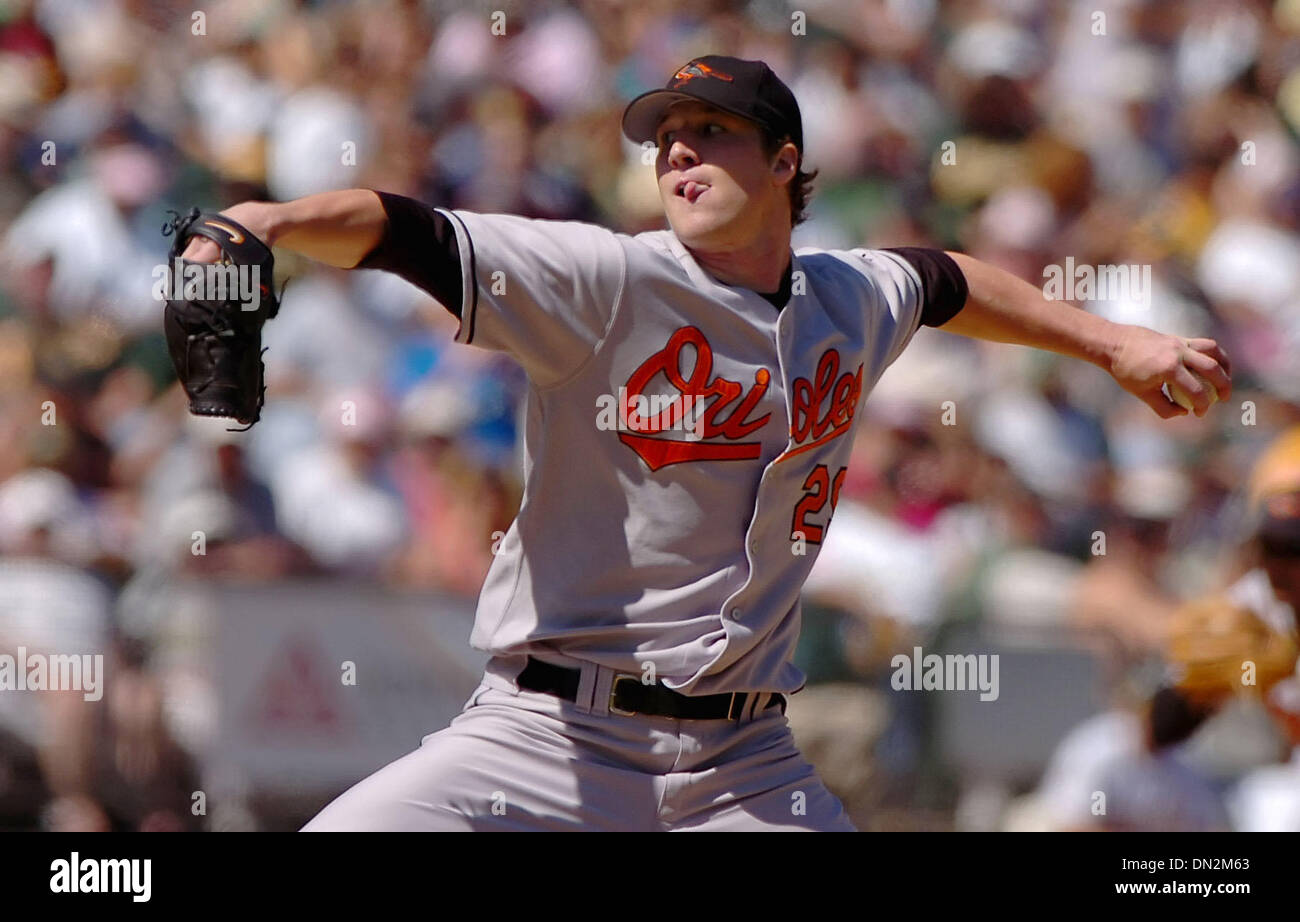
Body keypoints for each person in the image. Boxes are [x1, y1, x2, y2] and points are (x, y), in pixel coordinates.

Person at [178, 56, 1231, 831]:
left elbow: (946, 276)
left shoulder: (848, 295)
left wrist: (1113, 343)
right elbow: (410, 230)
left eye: (710, 130)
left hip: (746, 765)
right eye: (665, 137)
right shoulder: (605, 278)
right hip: (550, 739)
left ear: (784, 163)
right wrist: (270, 218)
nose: (678, 149)